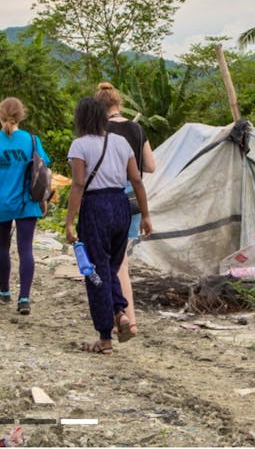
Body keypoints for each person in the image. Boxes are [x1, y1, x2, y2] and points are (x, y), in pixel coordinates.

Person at [65, 96, 152, 354]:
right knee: (111, 268)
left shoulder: (80, 145)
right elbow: (136, 180)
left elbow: (78, 185)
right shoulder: (121, 142)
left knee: (95, 272)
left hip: (96, 207)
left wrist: (69, 222)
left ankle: (105, 337)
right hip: (121, 205)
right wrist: (146, 215)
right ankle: (120, 312)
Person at [0, 97, 51, 315]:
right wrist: (43, 200)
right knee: (26, 249)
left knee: (2, 247)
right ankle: (24, 298)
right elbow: (42, 171)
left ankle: (5, 291)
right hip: (27, 203)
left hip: (0, 204)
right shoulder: (32, 140)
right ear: (21, 116)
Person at [94, 82, 156, 340]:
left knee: (108, 262)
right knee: (121, 263)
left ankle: (118, 317)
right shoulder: (136, 128)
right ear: (118, 103)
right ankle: (129, 319)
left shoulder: (99, 130)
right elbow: (150, 166)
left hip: (104, 196)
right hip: (132, 197)